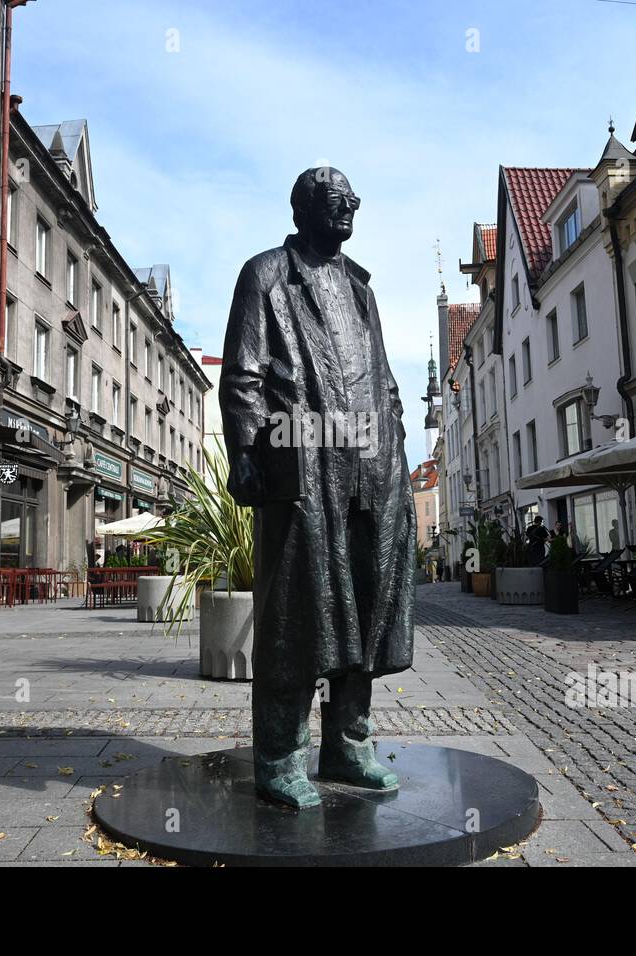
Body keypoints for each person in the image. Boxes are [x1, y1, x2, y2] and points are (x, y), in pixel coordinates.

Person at [222, 166, 414, 809]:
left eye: (354, 202)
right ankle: (279, 755)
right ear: (305, 208)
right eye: (336, 202)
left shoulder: (361, 289)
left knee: (367, 605)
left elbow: (383, 377)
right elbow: (243, 375)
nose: (349, 210)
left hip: (372, 465)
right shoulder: (267, 274)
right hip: (301, 466)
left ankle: (349, 743)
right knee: (296, 615)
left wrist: (397, 446)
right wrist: (246, 454)